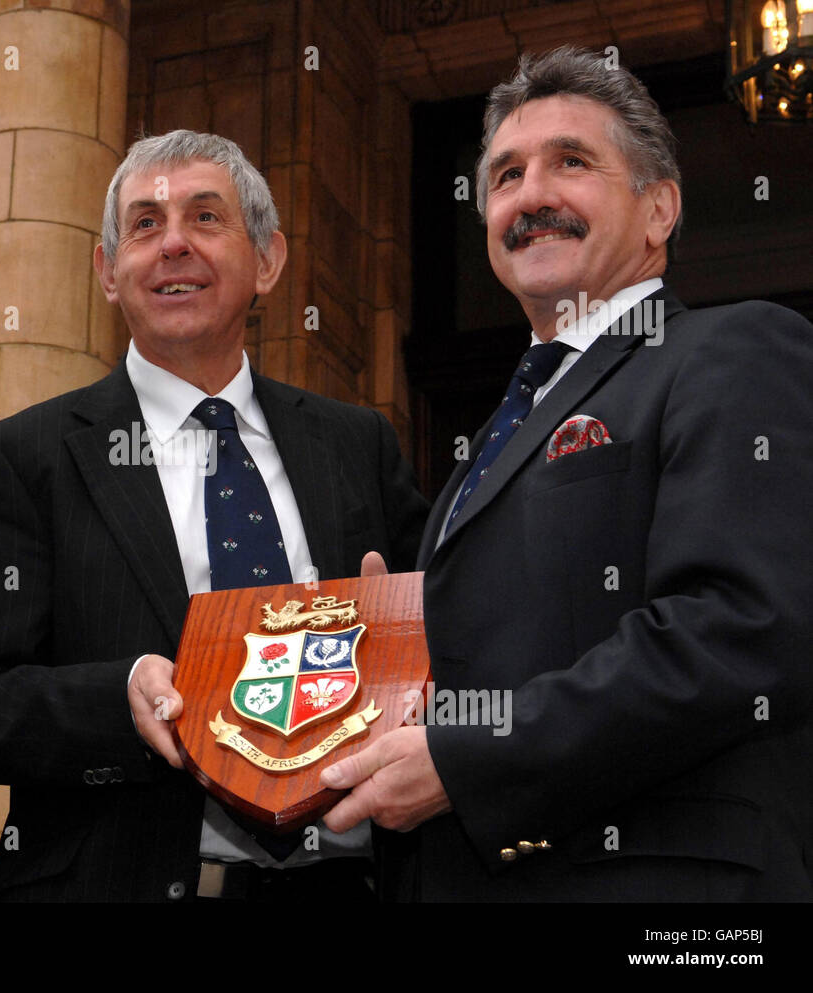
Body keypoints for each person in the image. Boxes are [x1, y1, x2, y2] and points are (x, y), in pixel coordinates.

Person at [319, 45, 813, 901]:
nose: (532, 195)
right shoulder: (499, 433)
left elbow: (739, 628)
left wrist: (469, 756)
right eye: (506, 175)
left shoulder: (735, 351)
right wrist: (396, 645)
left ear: (659, 209)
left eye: (571, 163)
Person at [0, 130, 429, 902]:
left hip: (345, 881)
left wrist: (405, 645)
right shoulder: (21, 457)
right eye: (144, 224)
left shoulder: (355, 443)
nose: (173, 245)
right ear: (107, 272)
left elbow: (454, 634)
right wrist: (119, 697)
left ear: (267, 260)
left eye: (205, 218)